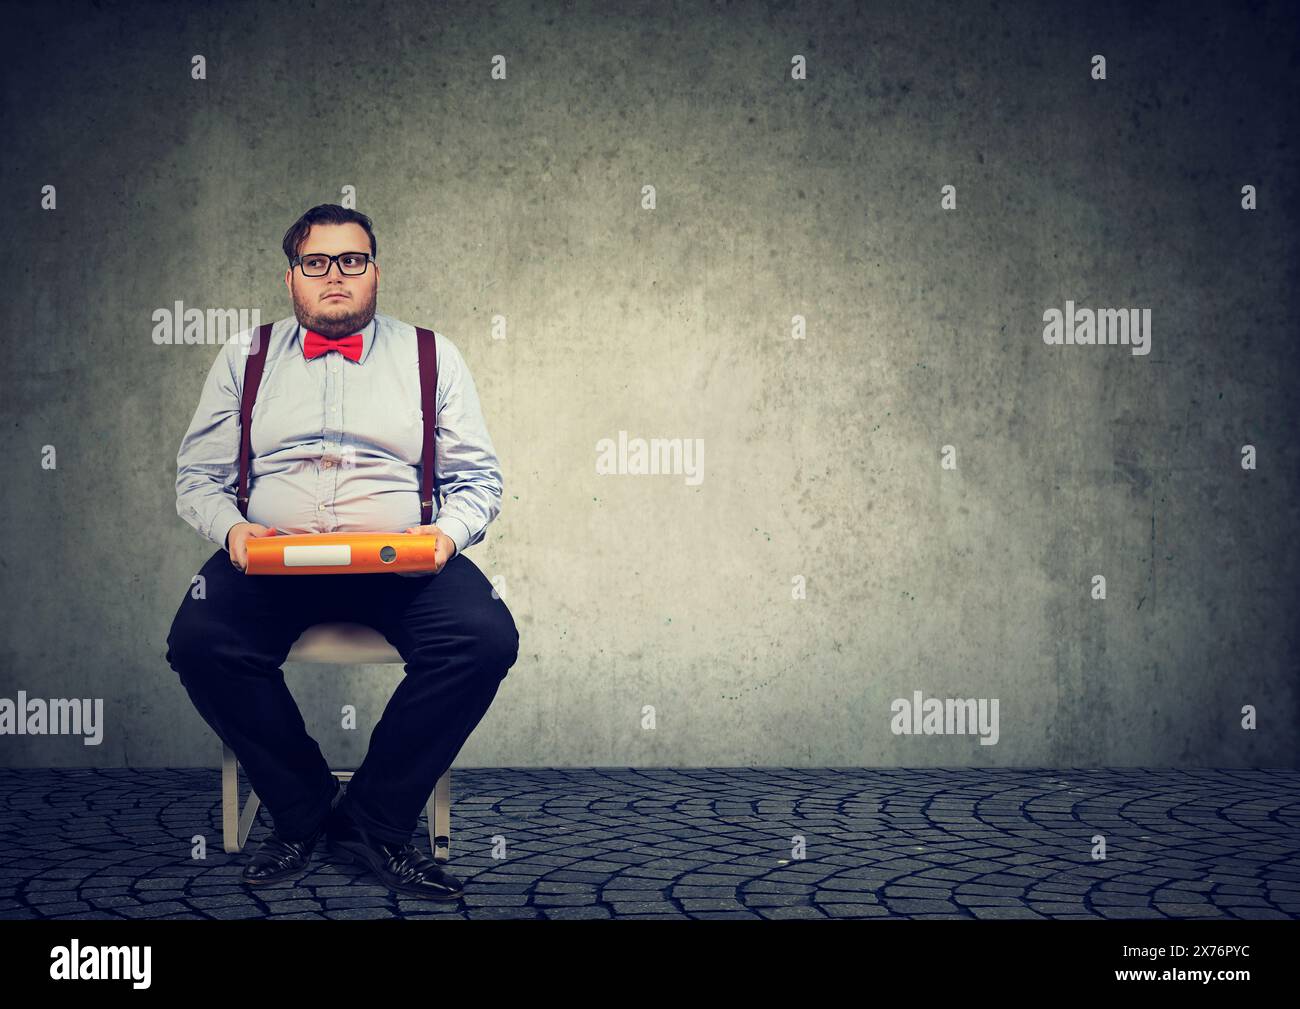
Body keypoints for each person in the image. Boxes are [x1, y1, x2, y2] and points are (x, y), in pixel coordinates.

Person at [165, 204, 519, 900]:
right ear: (291, 275)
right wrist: (234, 532)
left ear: (375, 271)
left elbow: (478, 478)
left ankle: (377, 819)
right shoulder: (245, 356)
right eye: (316, 262)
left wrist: (441, 538)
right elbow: (197, 477)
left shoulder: (432, 355)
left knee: (483, 637)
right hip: (270, 562)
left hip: (399, 563)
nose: (335, 276)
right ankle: (303, 807)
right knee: (200, 641)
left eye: (351, 261)